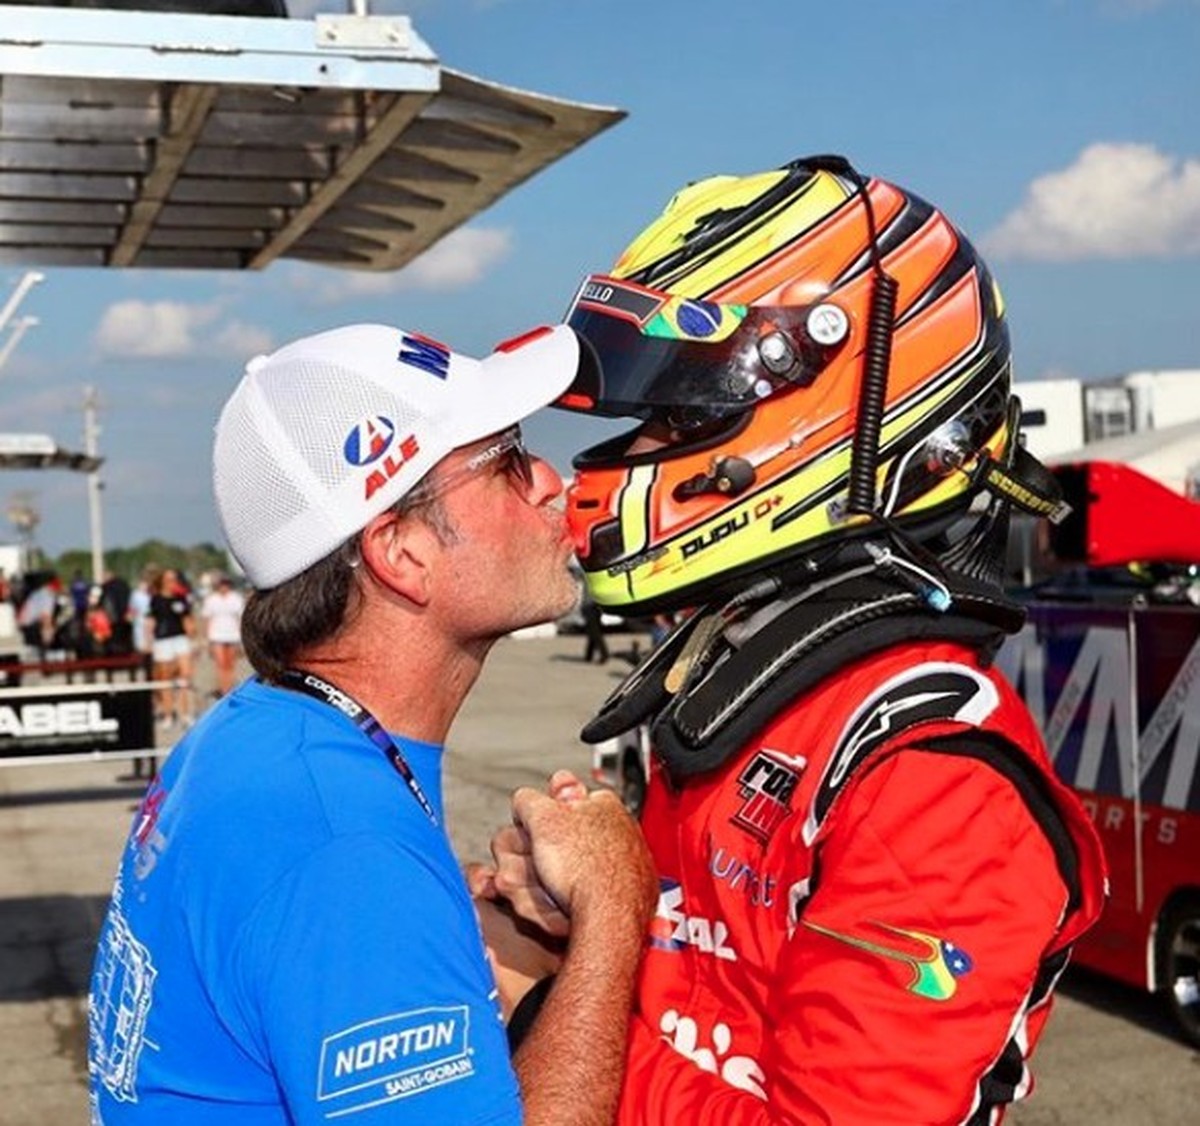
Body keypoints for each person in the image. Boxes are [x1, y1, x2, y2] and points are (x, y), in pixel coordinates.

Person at [482, 156, 1108, 1123]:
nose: (626, 457)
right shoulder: (747, 690)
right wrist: (583, 924)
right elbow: (703, 1005)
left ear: (826, 416)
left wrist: (541, 1005)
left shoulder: (930, 776)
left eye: (679, 415)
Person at [86, 322, 657, 1126]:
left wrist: (456, 935)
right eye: (508, 458)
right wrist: (613, 914)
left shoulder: (254, 736)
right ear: (403, 552)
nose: (550, 482)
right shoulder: (344, 851)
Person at [146, 566, 195, 728]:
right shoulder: (155, 599)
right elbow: (151, 621)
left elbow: (188, 620)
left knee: (185, 677)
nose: (172, 582)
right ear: (162, 581)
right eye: (169, 579)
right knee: (165, 680)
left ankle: (185, 714)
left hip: (180, 639)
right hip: (162, 640)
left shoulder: (181, 598)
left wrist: (195, 639)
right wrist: (148, 642)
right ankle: (168, 714)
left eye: (174, 579)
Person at [200, 572, 245, 698]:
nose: (224, 587)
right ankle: (223, 690)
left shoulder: (236, 598)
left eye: (226, 584)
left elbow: (239, 619)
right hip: (216, 635)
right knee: (221, 665)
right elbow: (207, 620)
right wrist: (206, 639)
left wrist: (241, 639)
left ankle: (230, 688)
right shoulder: (211, 599)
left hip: (233, 635)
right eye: (221, 585)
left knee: (230, 665)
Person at [580, 585, 609, 664]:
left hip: (590, 606)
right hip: (595, 606)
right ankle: (589, 655)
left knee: (594, 632)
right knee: (592, 631)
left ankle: (604, 654)